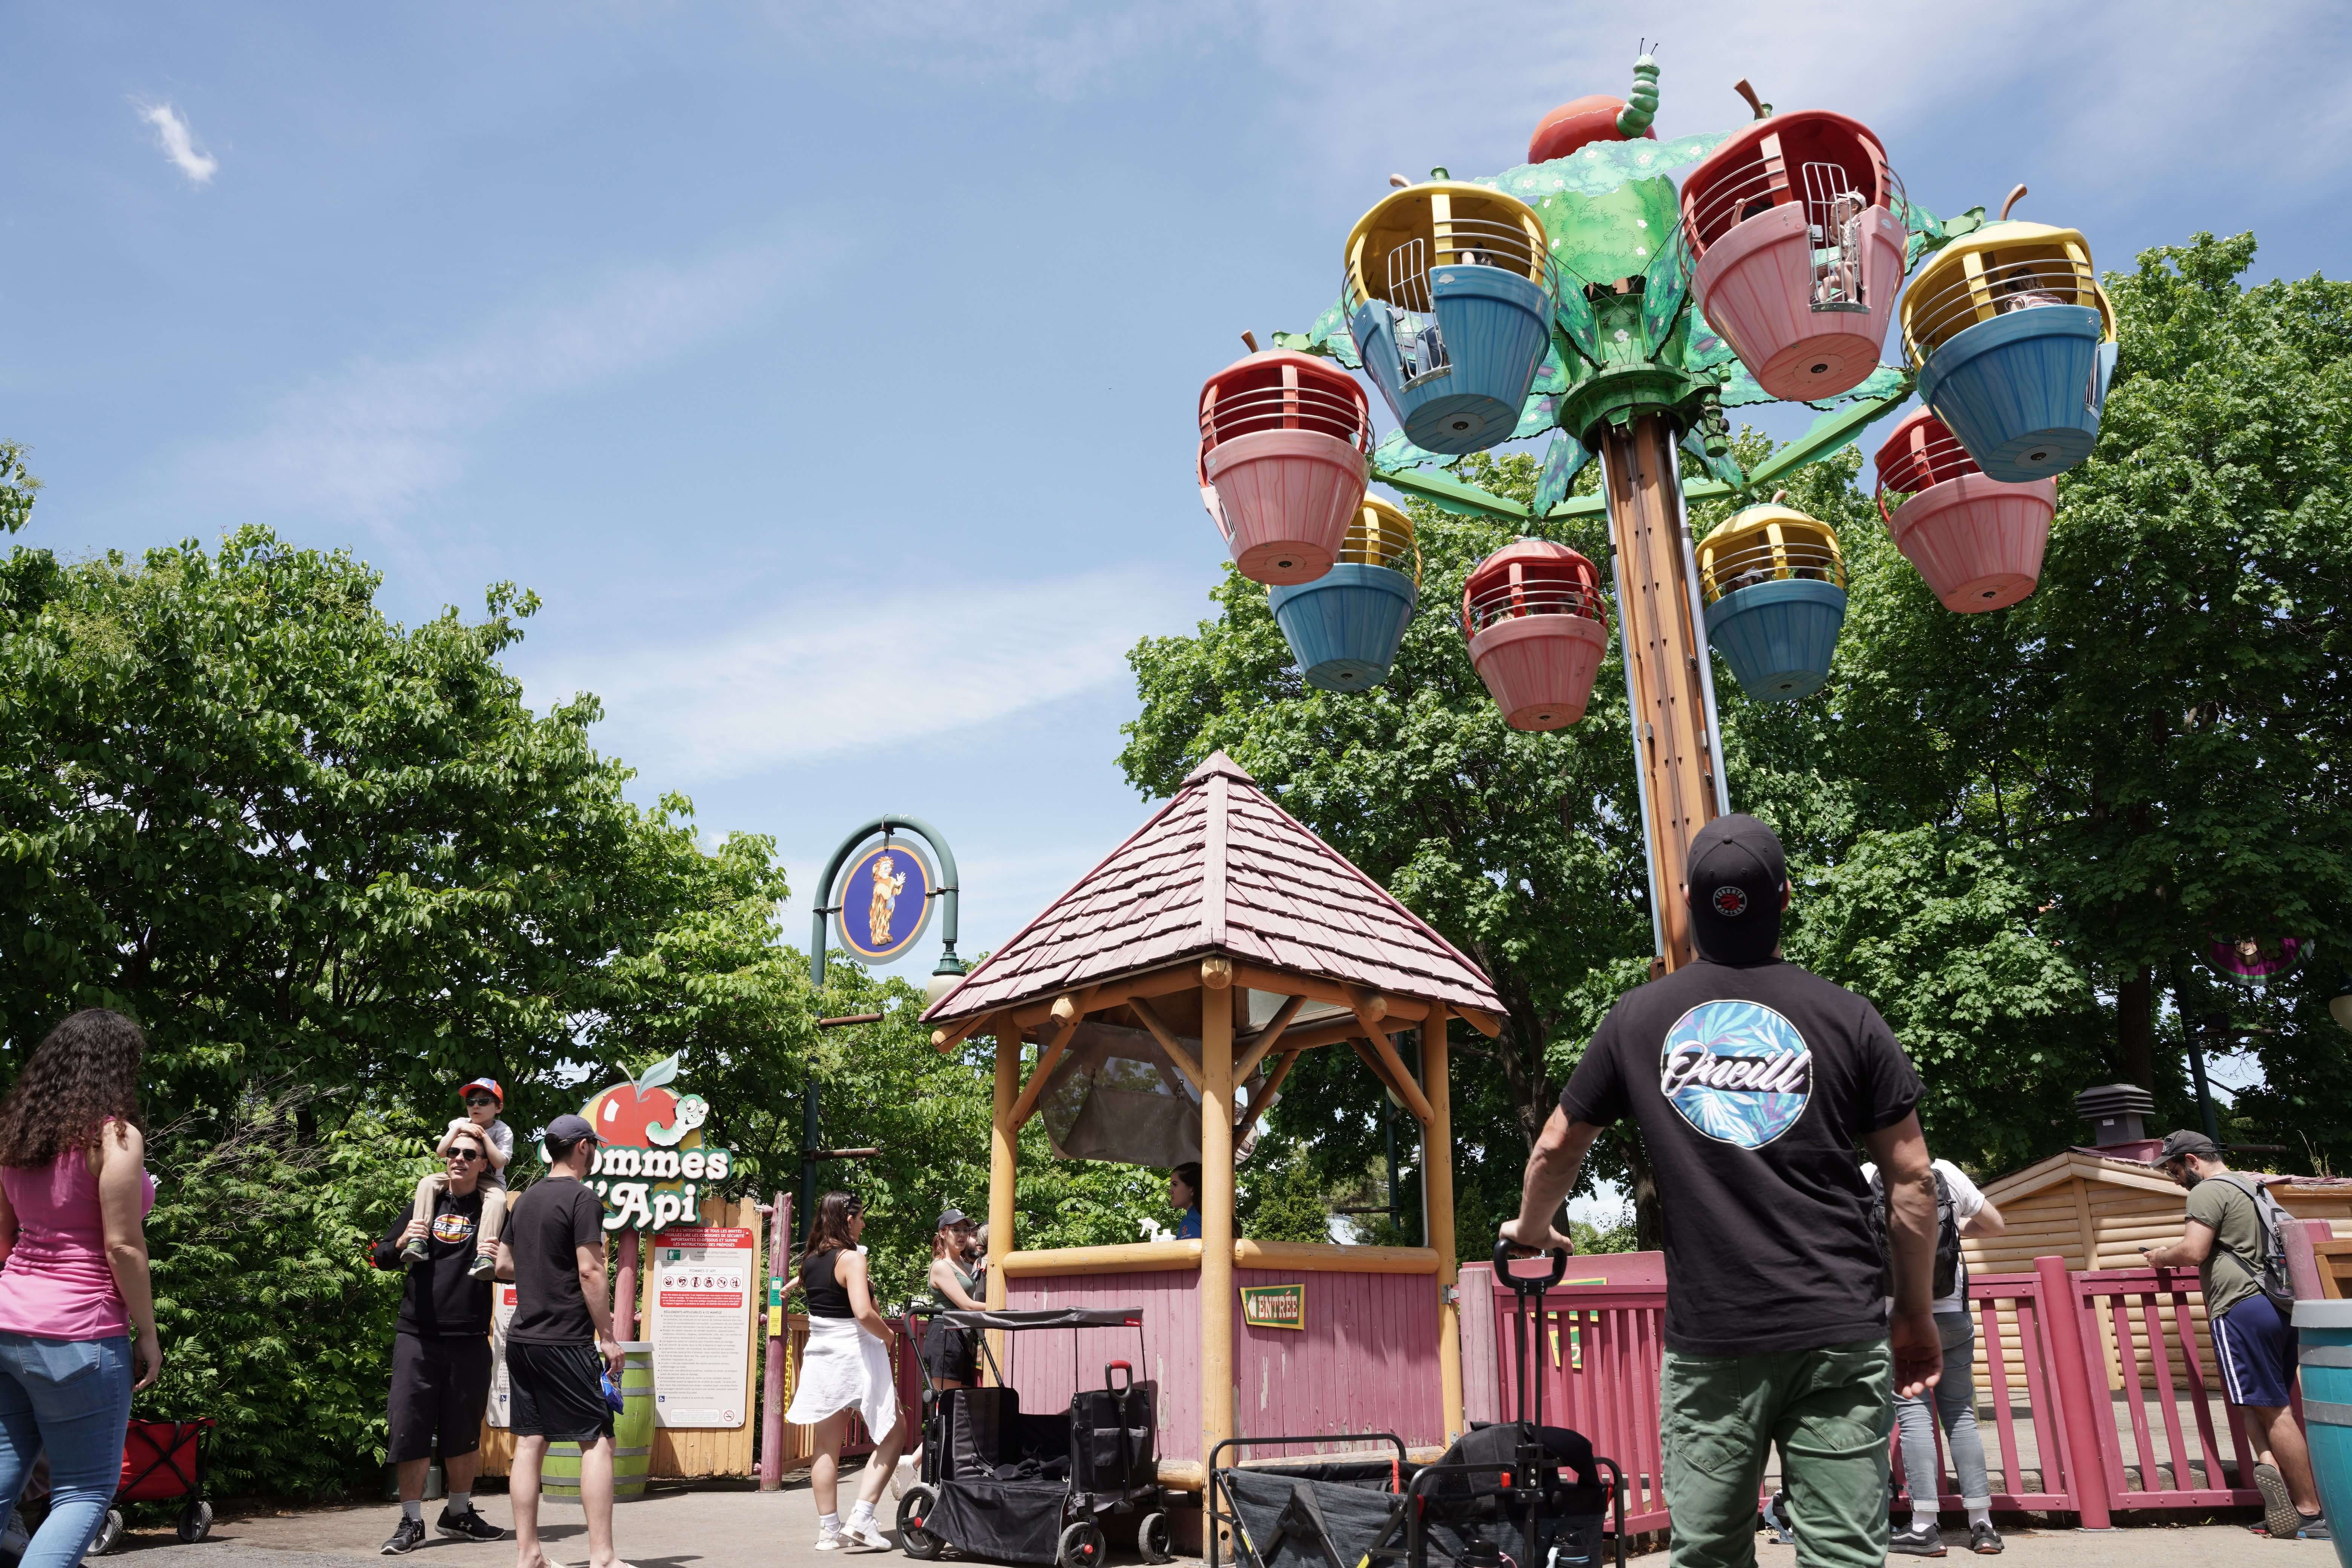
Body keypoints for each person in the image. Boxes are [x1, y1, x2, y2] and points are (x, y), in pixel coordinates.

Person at [1501, 815, 1944, 1568]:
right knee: (1845, 1556)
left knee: (1708, 1552)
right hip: (1838, 1325)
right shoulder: (1851, 1016)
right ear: (1786, 897)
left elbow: (1555, 1145)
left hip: (1716, 1339)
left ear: (1686, 905)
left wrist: (1534, 1229)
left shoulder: (1636, 1018)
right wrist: (1912, 1311)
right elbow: (1914, 1181)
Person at [0, 1009, 162, 1568]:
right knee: (83, 1492)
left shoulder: (18, 1132)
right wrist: (148, 1333)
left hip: (9, 1320)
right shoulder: (115, 1137)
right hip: (80, 1330)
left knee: (2, 1474)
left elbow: (4, 1238)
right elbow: (122, 1246)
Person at [2140, 1130, 2329, 1542]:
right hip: (2279, 1306)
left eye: (2173, 1169)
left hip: (2240, 1306)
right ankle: (2271, 1474)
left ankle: (2311, 1512)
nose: (2173, 1179)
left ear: (2192, 1160)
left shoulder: (2207, 1191)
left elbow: (2193, 1250)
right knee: (2254, 1401)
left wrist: (2159, 1256)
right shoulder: (2253, 1184)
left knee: (2274, 1409)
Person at [494, 1113, 628, 1568]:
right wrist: (608, 1336)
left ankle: (528, 1554)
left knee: (531, 1442)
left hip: (524, 1339)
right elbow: (591, 1270)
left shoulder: (526, 1199)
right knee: (597, 1440)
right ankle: (603, 1558)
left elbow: (503, 1265)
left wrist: (544, 1267)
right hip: (565, 1340)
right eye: (595, 1146)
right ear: (584, 1147)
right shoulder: (582, 1198)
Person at [1859, 1156, 2007, 1556]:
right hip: (1951, 1313)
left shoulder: (1869, 1174)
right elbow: (1996, 1223)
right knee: (1960, 1414)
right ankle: (1983, 1525)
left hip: (1898, 1318)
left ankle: (1925, 1525)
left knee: (1914, 1418)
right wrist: (1959, 1226)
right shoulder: (1948, 1171)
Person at [373, 1124, 504, 1553]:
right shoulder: (426, 1198)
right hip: (418, 1334)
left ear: (484, 1162)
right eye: (454, 1152)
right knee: (409, 1428)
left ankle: (459, 1512)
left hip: (468, 1335)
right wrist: (402, 1241)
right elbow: (380, 1255)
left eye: (470, 1153)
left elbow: (517, 1264)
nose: (459, 1158)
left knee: (464, 1430)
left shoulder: (496, 1208)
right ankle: (412, 1520)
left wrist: (502, 1258)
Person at [784, 1193, 910, 1552]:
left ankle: (829, 1531)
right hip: (856, 1353)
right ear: (847, 1219)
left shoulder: (810, 1260)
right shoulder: (851, 1259)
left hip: (823, 1356)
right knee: (895, 1429)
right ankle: (863, 1516)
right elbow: (863, 1312)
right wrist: (888, 1336)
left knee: (826, 1445)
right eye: (861, 1218)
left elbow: (806, 1287)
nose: (864, 1224)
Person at [406, 1079, 513, 1282]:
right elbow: (441, 1152)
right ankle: (418, 1239)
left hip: (488, 1179)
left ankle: (485, 1255)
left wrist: (484, 1137)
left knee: (498, 1200)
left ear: (498, 1107)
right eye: (471, 1101)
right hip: (455, 1175)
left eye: (484, 1102)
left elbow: (499, 1163)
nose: (475, 1106)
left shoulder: (503, 1131)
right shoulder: (458, 1124)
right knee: (427, 1183)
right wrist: (457, 1130)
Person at [922, 1210, 984, 1390]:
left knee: (962, 1402)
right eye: (956, 1230)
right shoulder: (941, 1266)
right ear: (943, 1233)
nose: (962, 1235)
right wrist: (1003, 1306)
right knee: (947, 1402)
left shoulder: (965, 1265)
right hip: (945, 1333)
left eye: (965, 1230)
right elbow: (967, 1305)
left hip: (961, 1333)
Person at [1169, 1163, 1203, 1241]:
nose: (1170, 1191)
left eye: (1175, 1185)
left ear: (1192, 1190)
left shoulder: (1192, 1220)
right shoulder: (1214, 1215)